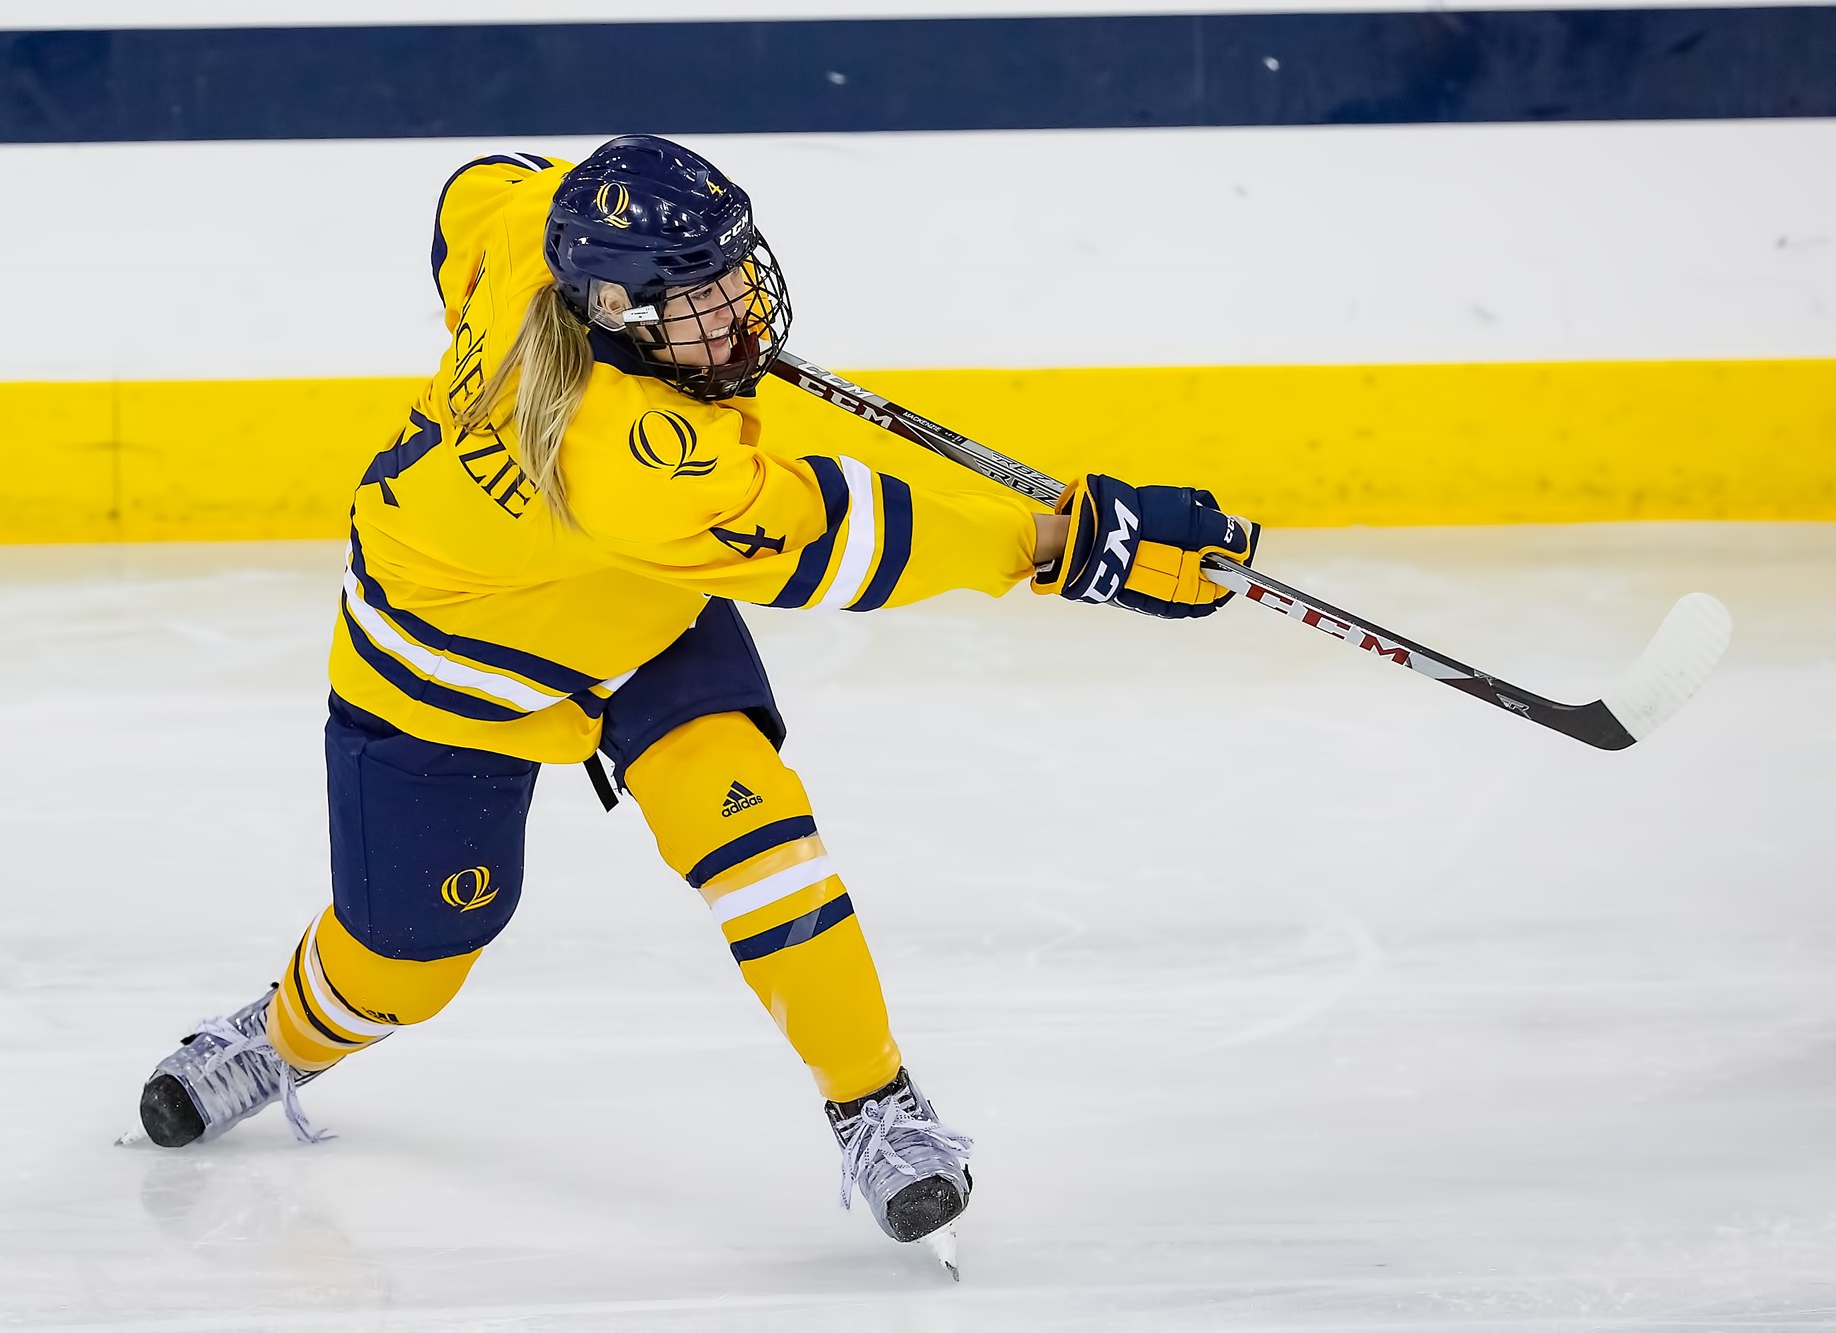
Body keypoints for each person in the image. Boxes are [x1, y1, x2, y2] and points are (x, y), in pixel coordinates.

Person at [134, 135, 1258, 1262]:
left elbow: (479, 183)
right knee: (406, 964)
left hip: (636, 620)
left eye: (732, 278)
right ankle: (281, 1037)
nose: (738, 314)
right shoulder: (631, 464)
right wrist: (1065, 545)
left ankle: (874, 1108)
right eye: (698, 300)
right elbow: (846, 533)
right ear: (615, 311)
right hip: (451, 672)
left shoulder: (534, 241)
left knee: (762, 835)